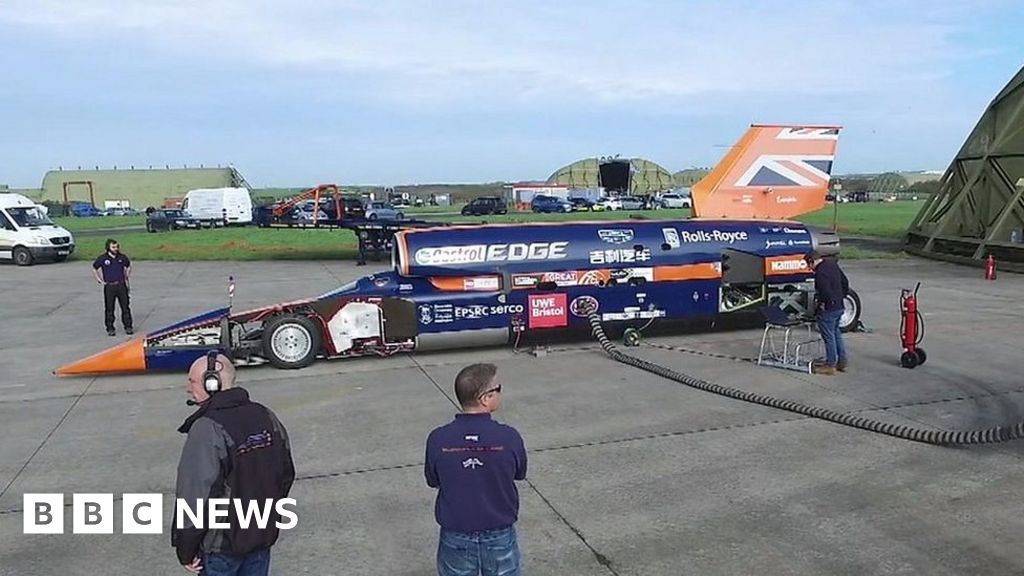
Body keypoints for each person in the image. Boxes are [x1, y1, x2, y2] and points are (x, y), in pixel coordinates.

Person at [172, 353, 295, 576]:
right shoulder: (265, 415)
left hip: (221, 550)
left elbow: (195, 497)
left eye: (192, 382)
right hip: (260, 541)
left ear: (212, 383)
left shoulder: (207, 428)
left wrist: (186, 549)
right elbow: (285, 475)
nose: (188, 389)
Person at [425, 363, 527, 576]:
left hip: (455, 534)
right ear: (485, 398)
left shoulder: (438, 438)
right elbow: (519, 473)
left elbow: (433, 479)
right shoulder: (509, 437)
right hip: (499, 532)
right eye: (498, 389)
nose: (500, 393)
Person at [805, 250, 850, 375]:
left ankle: (830, 365)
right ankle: (842, 361)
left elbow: (824, 292)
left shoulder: (820, 273)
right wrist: (840, 297)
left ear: (811, 261)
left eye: (809, 265)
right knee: (836, 334)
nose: (809, 268)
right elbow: (845, 283)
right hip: (839, 306)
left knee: (828, 337)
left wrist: (821, 306)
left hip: (828, 310)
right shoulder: (832, 265)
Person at [92, 238, 133, 336]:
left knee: (125, 307)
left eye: (117, 247)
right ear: (108, 248)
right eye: (113, 247)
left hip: (121, 285)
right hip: (110, 286)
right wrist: (99, 279)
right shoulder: (103, 258)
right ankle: (110, 328)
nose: (116, 249)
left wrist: (127, 275)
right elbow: (94, 268)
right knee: (109, 308)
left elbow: (128, 265)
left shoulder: (122, 257)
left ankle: (128, 326)